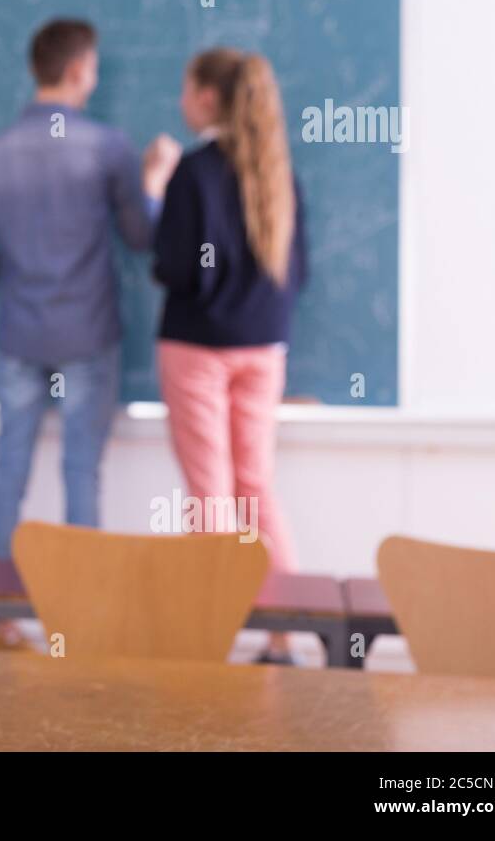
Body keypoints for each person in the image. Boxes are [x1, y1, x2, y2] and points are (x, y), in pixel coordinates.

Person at [0, 18, 181, 649]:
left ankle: (1, 621)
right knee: (83, 472)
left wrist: (15, 268)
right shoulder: (108, 149)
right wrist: (156, 183)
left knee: (10, 470)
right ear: (81, 69)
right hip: (88, 332)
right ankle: (82, 618)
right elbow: (142, 238)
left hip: (23, 333)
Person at [151, 47, 309, 665]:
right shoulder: (278, 173)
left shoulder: (193, 172)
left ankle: (205, 640)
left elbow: (171, 266)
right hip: (264, 346)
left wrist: (157, 189)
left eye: (187, 89)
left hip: (198, 346)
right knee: (256, 486)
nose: (182, 100)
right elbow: (301, 268)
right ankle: (284, 635)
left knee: (211, 495)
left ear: (208, 98)